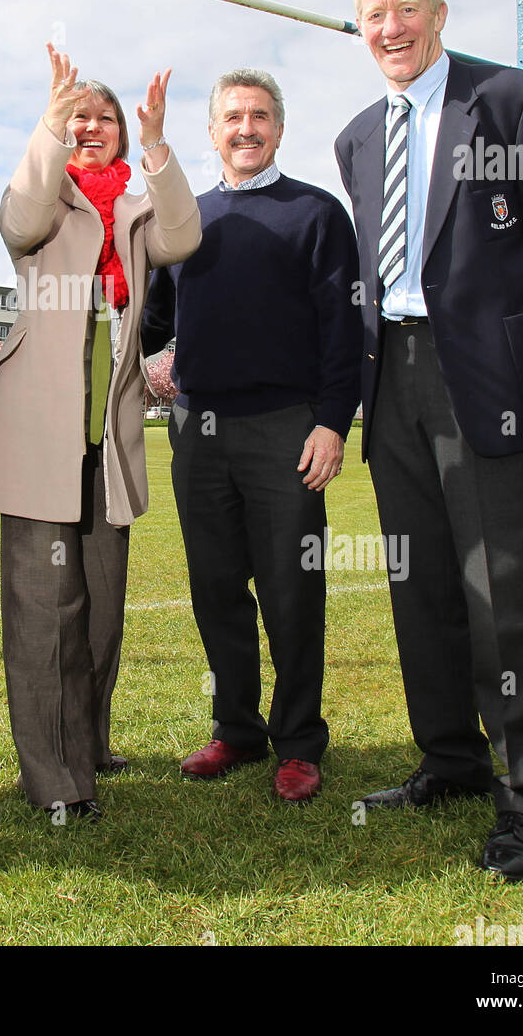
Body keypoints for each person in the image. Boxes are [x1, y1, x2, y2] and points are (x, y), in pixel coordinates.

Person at [335, 0, 523, 880]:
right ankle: (450, 759)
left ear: (440, 15)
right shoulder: (358, 137)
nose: (391, 28)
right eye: (374, 16)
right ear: (359, 28)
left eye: (407, 10)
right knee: (424, 586)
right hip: (389, 378)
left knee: (504, 593)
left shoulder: (517, 102)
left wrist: (504, 342)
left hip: (484, 377)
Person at [0, 46, 201, 819]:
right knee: (46, 614)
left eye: (105, 118)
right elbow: (20, 219)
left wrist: (160, 146)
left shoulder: (137, 212)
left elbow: (185, 235)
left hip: (110, 447)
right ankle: (57, 782)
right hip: (42, 441)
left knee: (100, 610)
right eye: (80, 117)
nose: (93, 126)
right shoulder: (43, 198)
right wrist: (49, 123)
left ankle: (89, 740)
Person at [141, 70, 361, 802]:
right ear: (212, 132)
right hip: (197, 433)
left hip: (286, 431)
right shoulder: (186, 220)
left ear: (279, 128)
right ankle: (235, 728)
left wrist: (331, 421)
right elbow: (157, 322)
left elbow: (344, 330)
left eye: (260, 116)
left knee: (293, 590)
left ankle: (298, 741)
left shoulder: (317, 213)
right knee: (215, 589)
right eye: (232, 116)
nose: (246, 128)